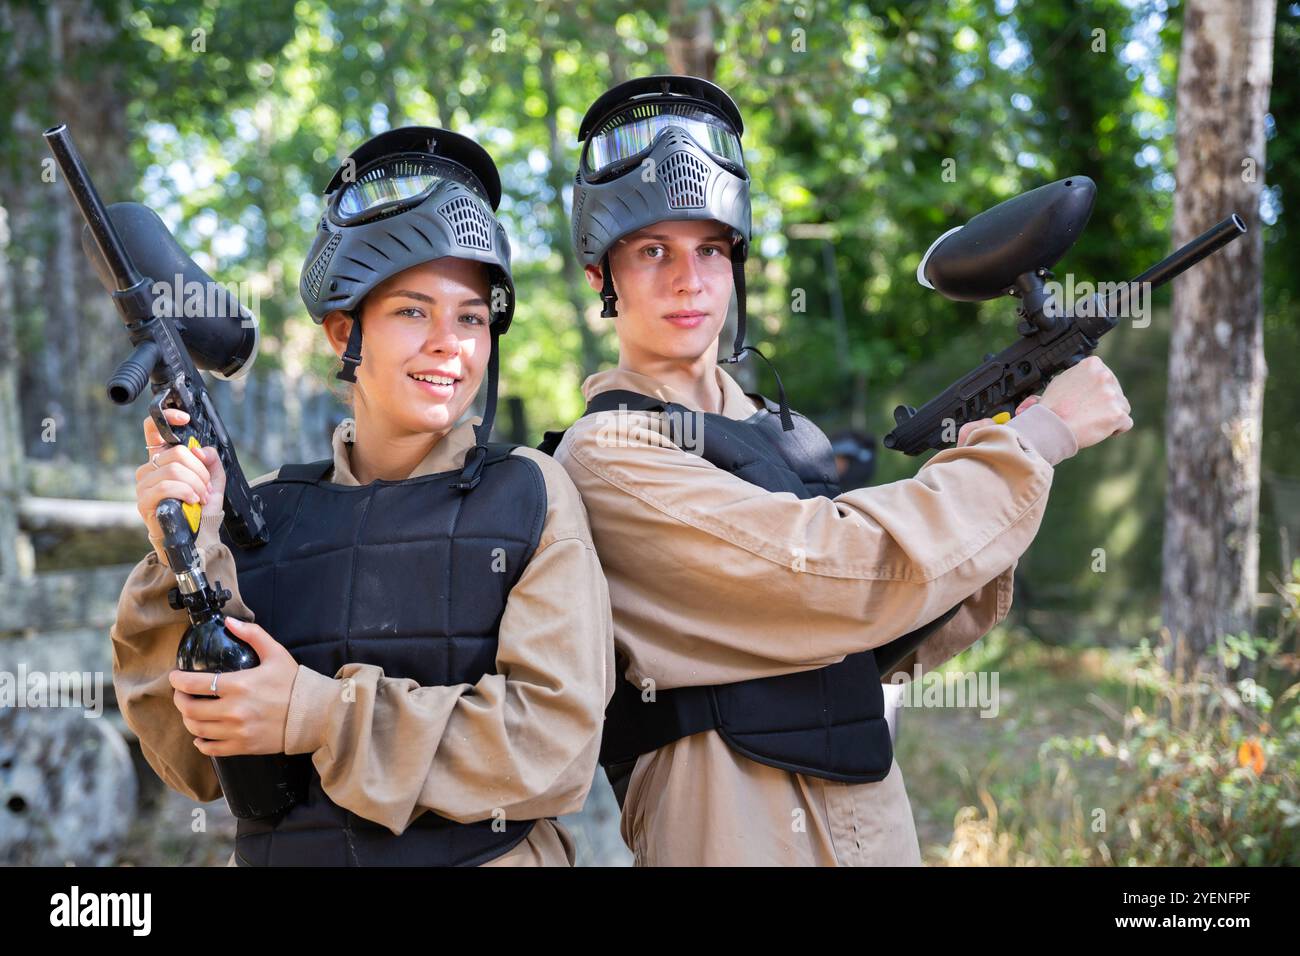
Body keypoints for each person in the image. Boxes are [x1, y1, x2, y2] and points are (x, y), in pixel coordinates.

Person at [542, 75, 1132, 866]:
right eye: (654, 252)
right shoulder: (606, 453)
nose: (690, 280)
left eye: (711, 249)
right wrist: (1036, 441)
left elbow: (882, 626)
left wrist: (1006, 445)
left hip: (863, 804)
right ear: (599, 278)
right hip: (727, 818)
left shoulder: (780, 433)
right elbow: (824, 573)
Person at [111, 125, 614, 866]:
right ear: (344, 330)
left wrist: (316, 715)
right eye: (413, 311)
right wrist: (184, 551)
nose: (450, 343)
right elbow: (186, 764)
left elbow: (552, 747)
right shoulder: (266, 514)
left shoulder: (529, 495)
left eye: (472, 317)